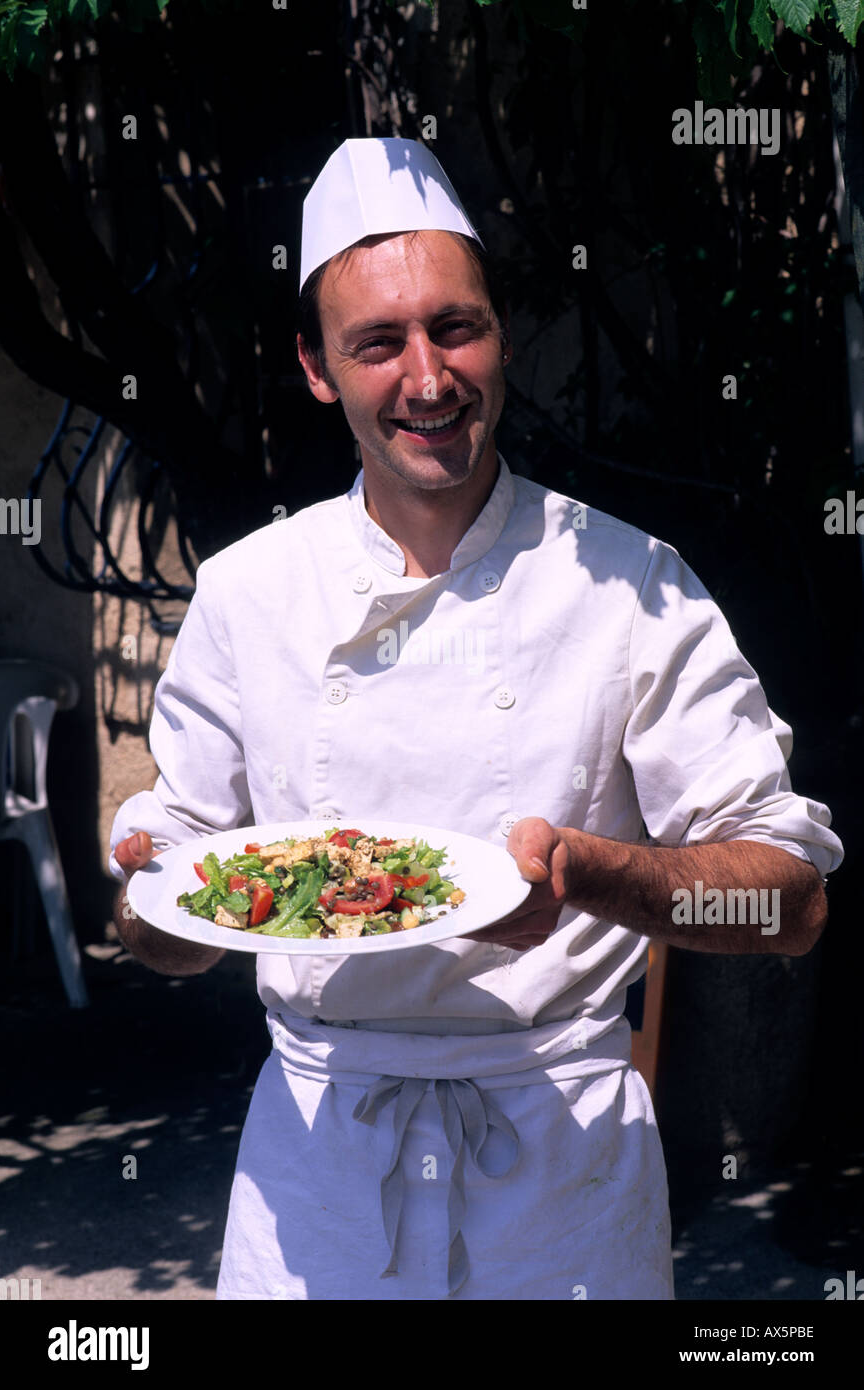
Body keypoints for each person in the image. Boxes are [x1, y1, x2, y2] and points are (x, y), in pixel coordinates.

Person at [110, 137, 843, 1301]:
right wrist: (155, 902)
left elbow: (791, 901)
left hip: (561, 1186)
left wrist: (595, 876)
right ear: (315, 367)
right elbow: (170, 914)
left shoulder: (628, 580)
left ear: (498, 335)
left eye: (455, 328)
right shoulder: (248, 592)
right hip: (315, 1184)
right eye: (377, 343)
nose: (429, 378)